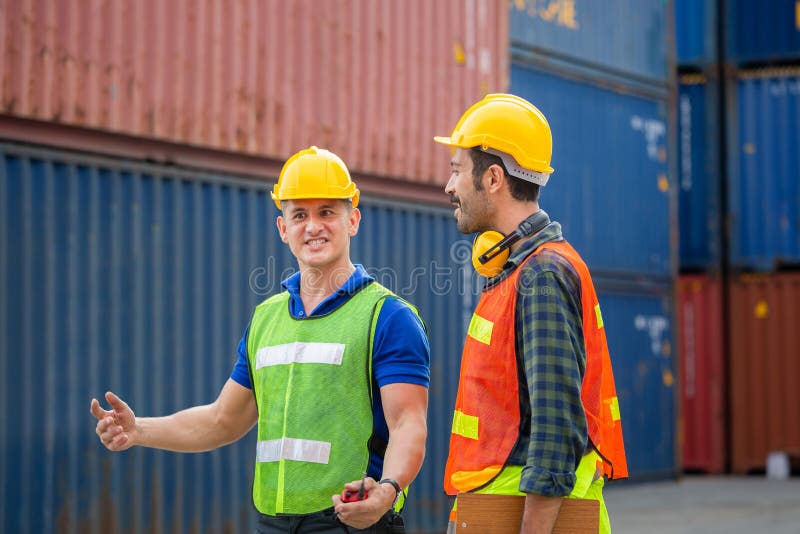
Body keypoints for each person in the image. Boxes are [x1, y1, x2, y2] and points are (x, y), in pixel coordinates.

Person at [90, 146, 430, 533]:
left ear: (352, 220)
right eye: (299, 215)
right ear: (283, 229)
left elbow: (407, 423)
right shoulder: (266, 318)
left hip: (352, 522)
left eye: (326, 212)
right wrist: (139, 430)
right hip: (272, 525)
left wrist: (387, 491)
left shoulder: (388, 317)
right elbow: (223, 420)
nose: (313, 226)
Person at [434, 94, 628, 534]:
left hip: (523, 518)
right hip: (498, 509)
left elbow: (556, 427)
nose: (449, 187)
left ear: (493, 178)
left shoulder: (541, 276)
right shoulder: (521, 269)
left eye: (456, 170)